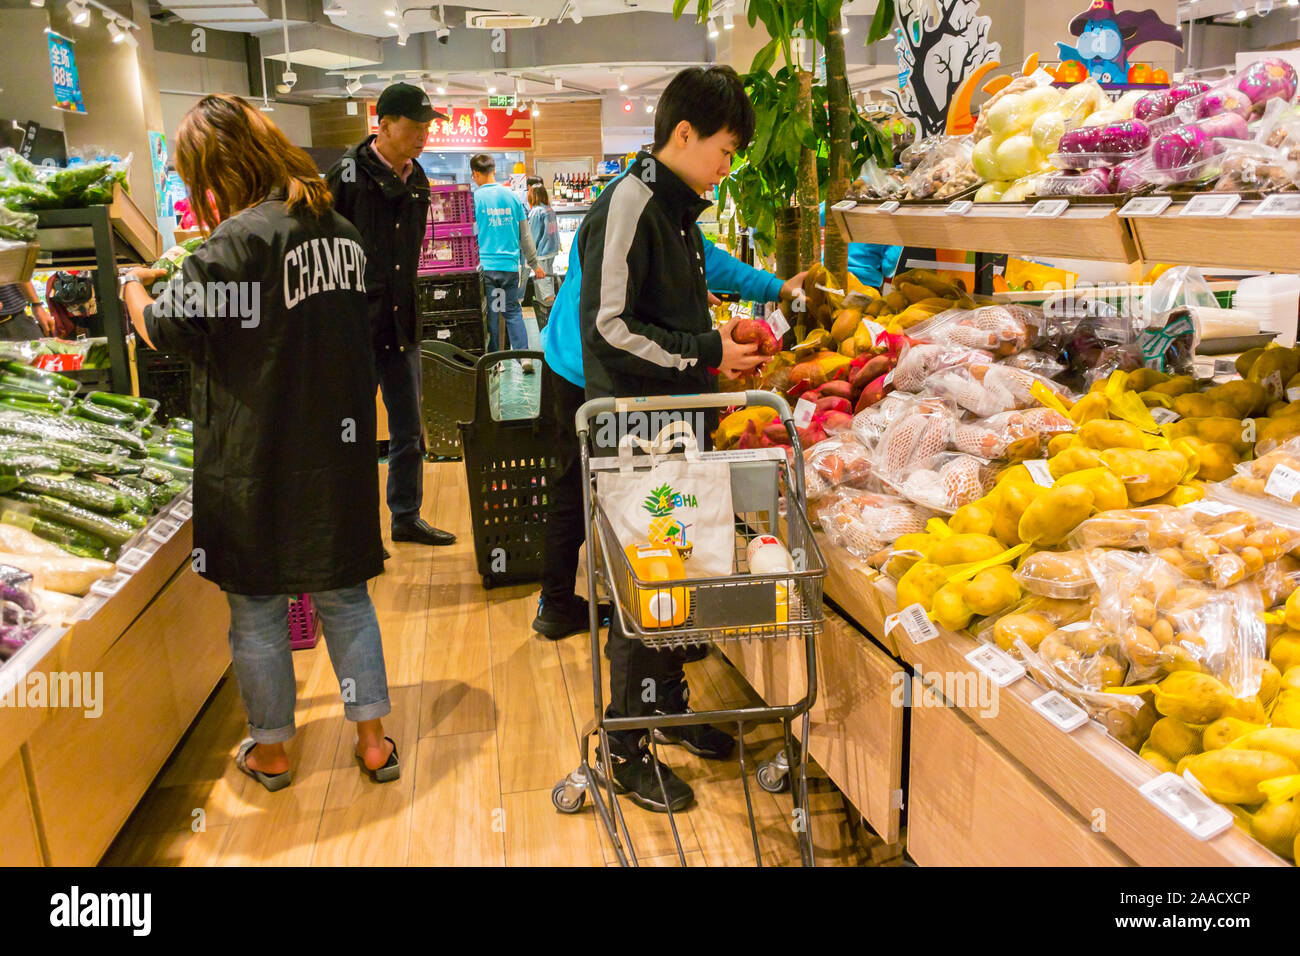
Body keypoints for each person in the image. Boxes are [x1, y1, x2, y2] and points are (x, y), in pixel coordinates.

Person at [121, 94, 399, 791]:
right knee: (346, 598)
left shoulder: (238, 241)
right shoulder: (337, 230)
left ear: (217, 170)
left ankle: (273, 752)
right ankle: (372, 741)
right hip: (334, 450)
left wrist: (133, 288)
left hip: (255, 457)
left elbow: (165, 330)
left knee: (257, 610)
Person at [575, 65, 767, 813]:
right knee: (644, 588)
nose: (728, 163)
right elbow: (609, 327)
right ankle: (624, 745)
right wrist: (707, 353)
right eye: (723, 147)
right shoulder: (629, 201)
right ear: (682, 134)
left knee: (678, 578)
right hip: (635, 434)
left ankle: (666, 708)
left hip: (675, 429)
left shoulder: (678, 208)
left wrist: (712, 350)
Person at [535, 225, 805, 640]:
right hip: (585, 367)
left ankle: (587, 603)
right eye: (721, 155)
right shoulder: (638, 209)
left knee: (589, 478)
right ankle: (608, 609)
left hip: (575, 357)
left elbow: (699, 260)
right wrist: (763, 295)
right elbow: (637, 305)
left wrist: (768, 287)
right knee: (602, 481)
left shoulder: (648, 205)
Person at [327, 82, 456, 548]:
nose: (424, 134)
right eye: (415, 125)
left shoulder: (417, 178)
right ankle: (359, 531)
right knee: (356, 435)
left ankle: (406, 516)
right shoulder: (344, 175)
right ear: (382, 125)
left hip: (403, 324)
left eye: (427, 126)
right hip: (355, 326)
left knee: (408, 430)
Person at [469, 153, 544, 367]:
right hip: (510, 266)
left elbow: (471, 234)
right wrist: (535, 263)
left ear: (475, 173)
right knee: (512, 311)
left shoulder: (475, 199)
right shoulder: (512, 197)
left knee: (492, 313)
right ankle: (524, 356)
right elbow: (526, 236)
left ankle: (496, 361)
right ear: (493, 170)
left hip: (487, 267)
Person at [818, 202, 903, 290]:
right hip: (864, 284)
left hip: (827, 277)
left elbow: (818, 216)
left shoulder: (844, 199)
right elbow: (889, 267)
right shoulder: (892, 222)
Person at [526, 183, 560, 327]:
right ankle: (551, 322)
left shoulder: (536, 212)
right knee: (548, 284)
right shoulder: (549, 209)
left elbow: (531, 236)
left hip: (541, 254)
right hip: (551, 251)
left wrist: (530, 257)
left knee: (545, 290)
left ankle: (551, 322)